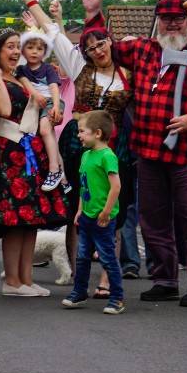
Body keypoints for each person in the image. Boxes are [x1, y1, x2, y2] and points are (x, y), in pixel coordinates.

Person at [81, 0, 187, 308]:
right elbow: (105, 47)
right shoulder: (143, 50)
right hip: (149, 152)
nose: (173, 24)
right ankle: (164, 280)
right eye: (167, 19)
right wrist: (94, 13)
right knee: (153, 218)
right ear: (158, 21)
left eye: (178, 19)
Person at [21, 0, 133, 295]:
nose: (98, 51)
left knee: (114, 207)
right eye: (92, 48)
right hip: (78, 142)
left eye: (102, 45)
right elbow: (53, 33)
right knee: (76, 204)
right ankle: (74, 270)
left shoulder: (129, 73)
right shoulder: (80, 66)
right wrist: (32, 1)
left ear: (110, 44)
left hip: (114, 145)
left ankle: (107, 278)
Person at [0, 28, 68, 297]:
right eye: (10, 47)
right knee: (14, 220)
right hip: (6, 154)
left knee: (30, 220)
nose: (16, 52)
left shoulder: (20, 78)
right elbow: (2, 109)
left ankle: (26, 278)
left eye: (18, 47)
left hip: (28, 152)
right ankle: (11, 280)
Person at [61, 111, 124, 315]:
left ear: (97, 133)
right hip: (87, 216)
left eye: (82, 131)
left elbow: (116, 187)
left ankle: (117, 298)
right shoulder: (86, 155)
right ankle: (79, 292)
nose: (78, 135)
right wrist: (79, 210)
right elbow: (83, 186)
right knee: (82, 257)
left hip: (103, 219)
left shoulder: (107, 156)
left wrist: (106, 212)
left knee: (107, 258)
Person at [15, 29, 66, 190]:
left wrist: (57, 106)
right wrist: (35, 93)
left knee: (45, 130)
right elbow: (24, 81)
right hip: (37, 103)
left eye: (39, 49)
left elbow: (54, 88)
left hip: (52, 101)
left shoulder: (47, 69)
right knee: (50, 136)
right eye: (30, 48)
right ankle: (62, 176)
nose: (34, 52)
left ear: (44, 52)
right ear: (23, 50)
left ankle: (54, 170)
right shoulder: (22, 69)